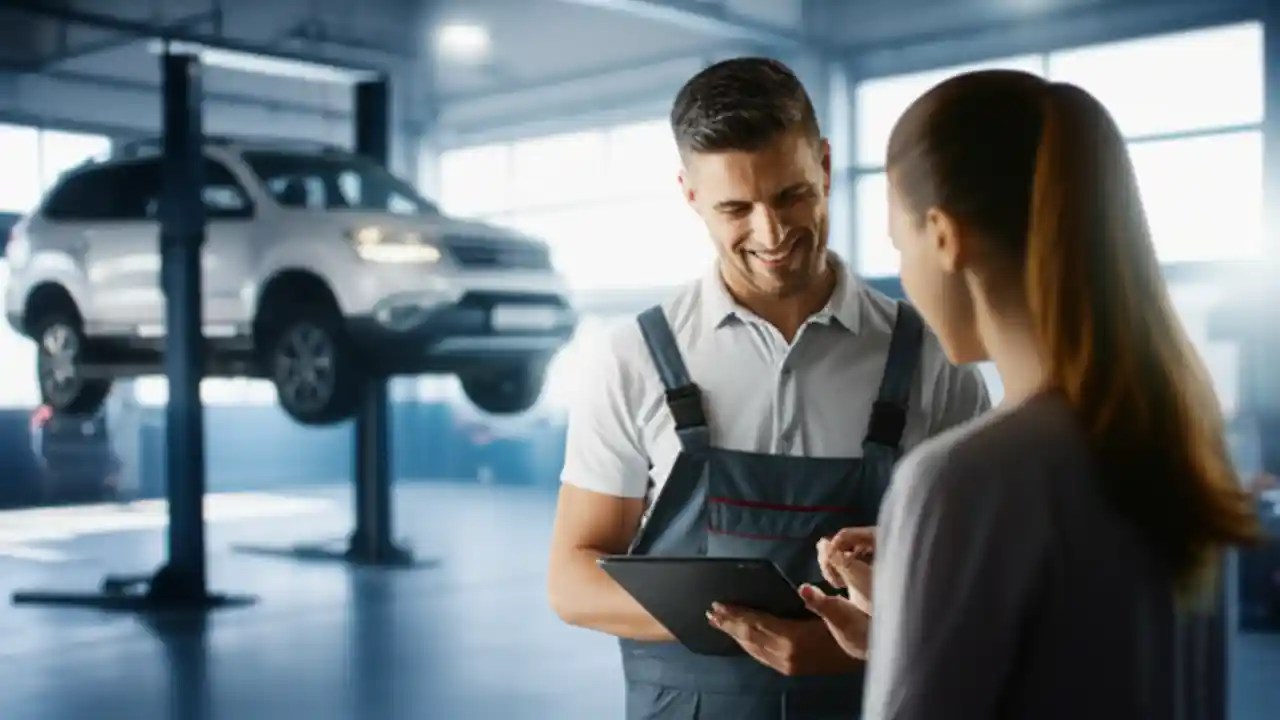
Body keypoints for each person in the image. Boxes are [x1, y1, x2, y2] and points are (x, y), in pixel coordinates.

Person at [799, 69, 1262, 719]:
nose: (903, 275)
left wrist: (932, 552)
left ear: (943, 237)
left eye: (900, 245)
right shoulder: (1186, 437)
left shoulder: (962, 479)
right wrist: (909, 625)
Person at [546, 57, 990, 719]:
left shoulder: (931, 357)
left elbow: (985, 578)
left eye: (791, 195)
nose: (772, 232)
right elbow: (573, 582)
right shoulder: (634, 357)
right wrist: (730, 617)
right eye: (735, 208)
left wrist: (850, 646)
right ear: (690, 196)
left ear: (827, 166)